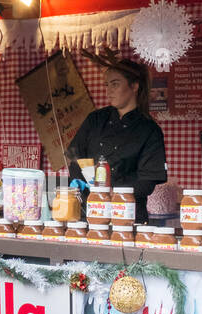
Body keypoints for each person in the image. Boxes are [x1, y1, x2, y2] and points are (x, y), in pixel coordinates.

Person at [66, 53, 166, 222]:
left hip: (128, 215)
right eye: (107, 85)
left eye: (115, 84)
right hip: (90, 212)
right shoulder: (95, 119)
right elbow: (73, 156)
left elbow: (148, 181)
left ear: (134, 86)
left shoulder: (149, 130)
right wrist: (89, 185)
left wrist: (114, 192)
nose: (108, 90)